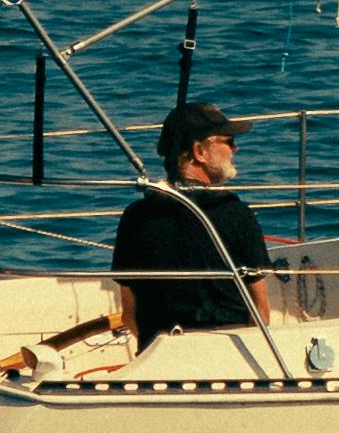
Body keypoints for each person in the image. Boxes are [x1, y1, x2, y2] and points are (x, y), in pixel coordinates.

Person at [108, 101, 274, 345]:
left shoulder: (136, 216)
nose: (235, 149)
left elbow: (130, 315)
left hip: (159, 353)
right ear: (199, 152)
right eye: (228, 141)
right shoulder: (236, 214)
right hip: (229, 353)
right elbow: (261, 313)